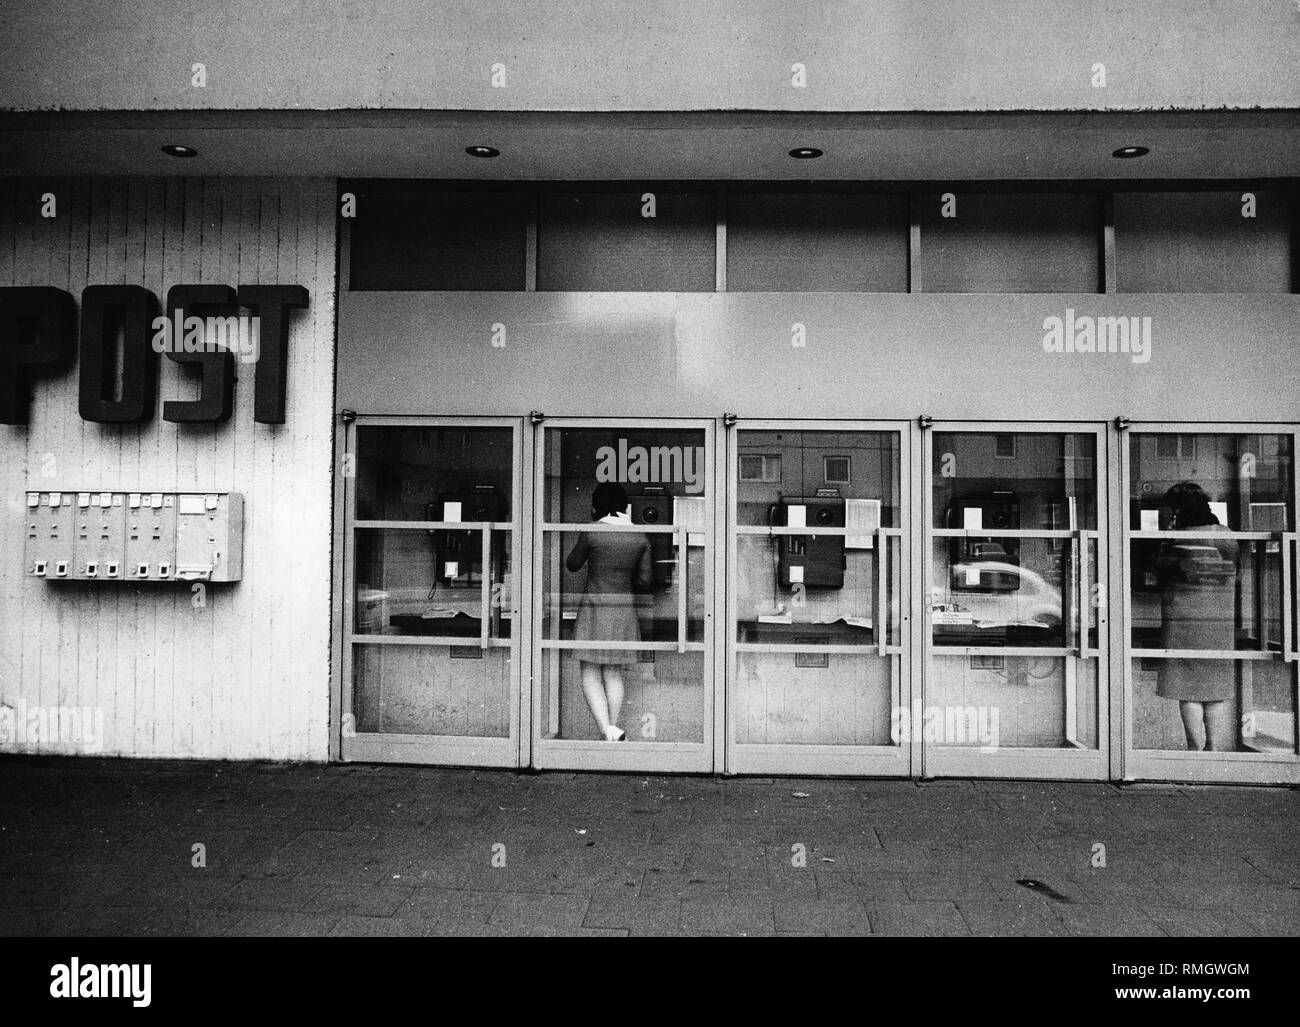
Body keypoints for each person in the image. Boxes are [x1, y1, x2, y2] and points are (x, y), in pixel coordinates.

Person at [1155, 482, 1239, 751]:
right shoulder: (1224, 534)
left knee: (1187, 687)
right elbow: (1237, 570)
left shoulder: (1175, 538)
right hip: (1218, 620)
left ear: (1177, 509)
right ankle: (1213, 746)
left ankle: (1194, 746)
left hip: (1182, 619)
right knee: (1214, 686)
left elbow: (1159, 573)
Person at [566, 482, 651, 741]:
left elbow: (572, 564)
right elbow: (644, 581)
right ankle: (613, 729)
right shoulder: (640, 536)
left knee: (590, 672)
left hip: (594, 608)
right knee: (613, 673)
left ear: (597, 506)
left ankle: (607, 730)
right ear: (625, 506)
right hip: (623, 609)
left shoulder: (593, 532)